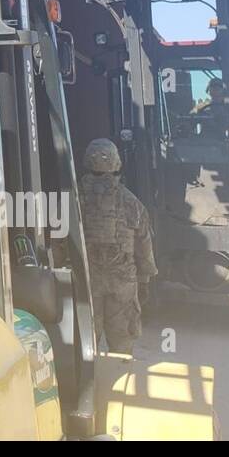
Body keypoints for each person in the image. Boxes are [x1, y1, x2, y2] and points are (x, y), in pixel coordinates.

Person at [78, 138, 157, 354]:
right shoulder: (131, 202)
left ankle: (88, 381)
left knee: (85, 338)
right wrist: (145, 279)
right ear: (116, 163)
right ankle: (120, 377)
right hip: (122, 279)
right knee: (122, 339)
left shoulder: (73, 200)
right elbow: (144, 245)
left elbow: (58, 242)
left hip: (86, 279)